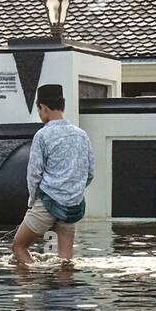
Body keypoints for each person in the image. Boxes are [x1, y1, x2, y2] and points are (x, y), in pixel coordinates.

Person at [12, 84, 95, 268]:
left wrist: (33, 203)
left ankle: (31, 287)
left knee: (19, 247)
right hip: (72, 206)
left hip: (47, 204)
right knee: (65, 260)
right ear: (62, 106)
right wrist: (73, 191)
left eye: (39, 110)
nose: (40, 114)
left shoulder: (42, 135)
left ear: (44, 108)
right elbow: (90, 172)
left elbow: (34, 174)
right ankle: (64, 296)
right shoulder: (81, 135)